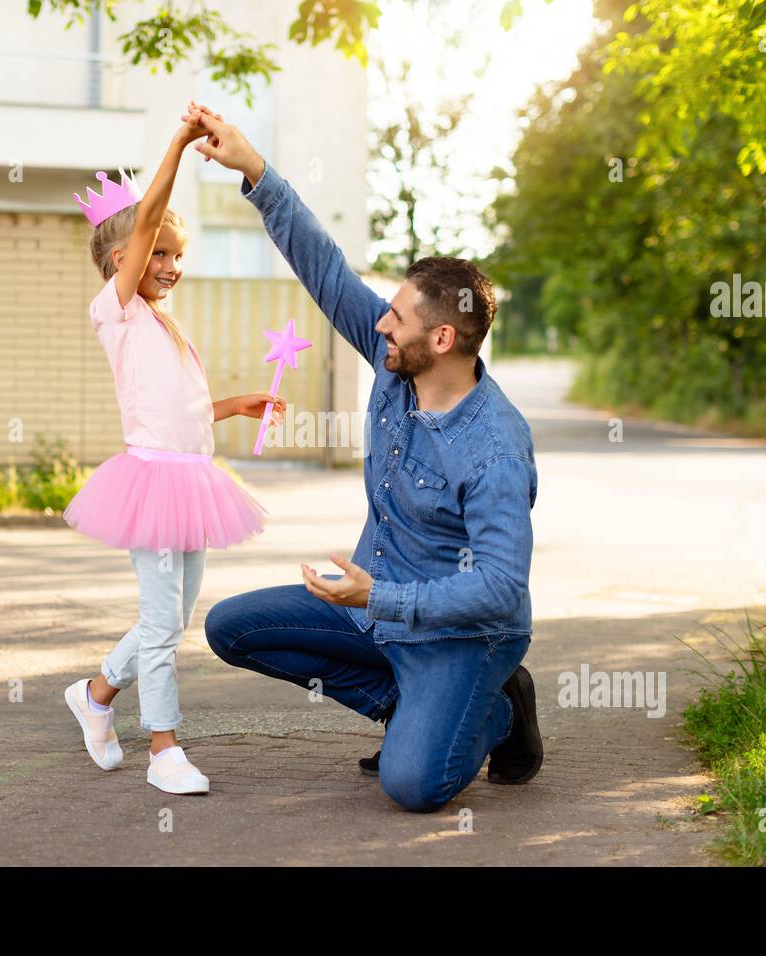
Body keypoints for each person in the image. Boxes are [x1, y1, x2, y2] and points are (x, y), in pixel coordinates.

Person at [188, 101, 544, 813]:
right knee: (232, 628)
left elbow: (501, 588)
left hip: (459, 631)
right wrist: (254, 168)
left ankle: (499, 710)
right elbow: (325, 270)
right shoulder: (396, 364)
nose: (379, 320)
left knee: (412, 787)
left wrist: (379, 597)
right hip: (374, 605)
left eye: (398, 316)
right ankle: (404, 703)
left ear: (441, 339)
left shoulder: (494, 446)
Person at [62, 115, 287, 796]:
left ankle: (96, 693)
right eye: (155, 253)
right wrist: (177, 148)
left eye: (174, 255)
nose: (170, 266)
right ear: (121, 262)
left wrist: (234, 404)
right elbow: (151, 210)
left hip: (192, 480)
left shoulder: (164, 323)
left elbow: (176, 410)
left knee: (172, 616)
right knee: (163, 624)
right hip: (152, 483)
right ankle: (164, 747)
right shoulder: (118, 308)